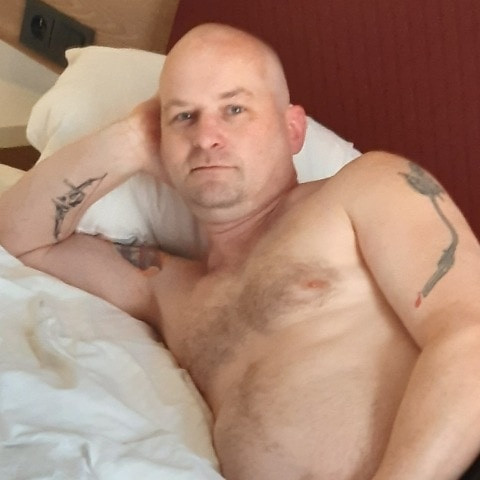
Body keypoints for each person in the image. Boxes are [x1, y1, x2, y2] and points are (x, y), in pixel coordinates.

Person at [1, 23, 480, 480]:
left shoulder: (365, 188)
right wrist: (129, 139)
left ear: (293, 130)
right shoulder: (171, 290)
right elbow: (20, 238)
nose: (206, 136)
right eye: (184, 117)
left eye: (234, 109)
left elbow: (469, 332)